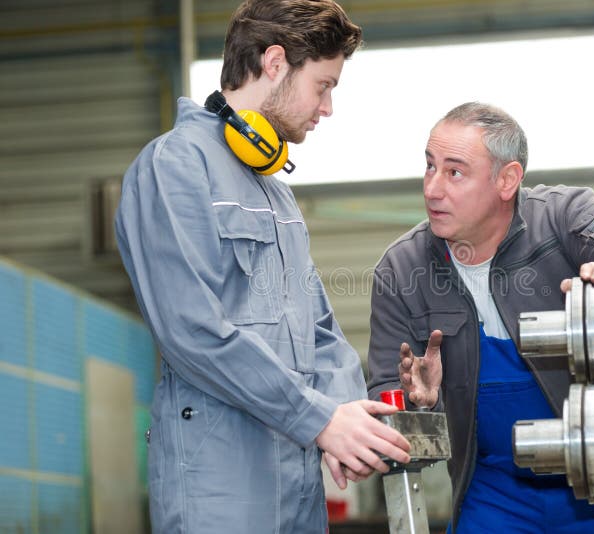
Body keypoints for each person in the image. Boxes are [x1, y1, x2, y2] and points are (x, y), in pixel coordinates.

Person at [115, 1, 411, 533]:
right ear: (275, 63)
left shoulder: (274, 193)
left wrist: (351, 420)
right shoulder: (173, 167)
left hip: (297, 482)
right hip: (220, 487)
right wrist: (321, 420)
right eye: (323, 85)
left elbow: (318, 329)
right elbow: (191, 330)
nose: (327, 108)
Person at [367, 102, 594, 533]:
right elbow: (387, 410)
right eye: (429, 167)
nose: (432, 188)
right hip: (495, 496)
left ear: (507, 180)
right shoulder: (402, 269)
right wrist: (420, 403)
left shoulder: (562, 217)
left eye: (454, 172)